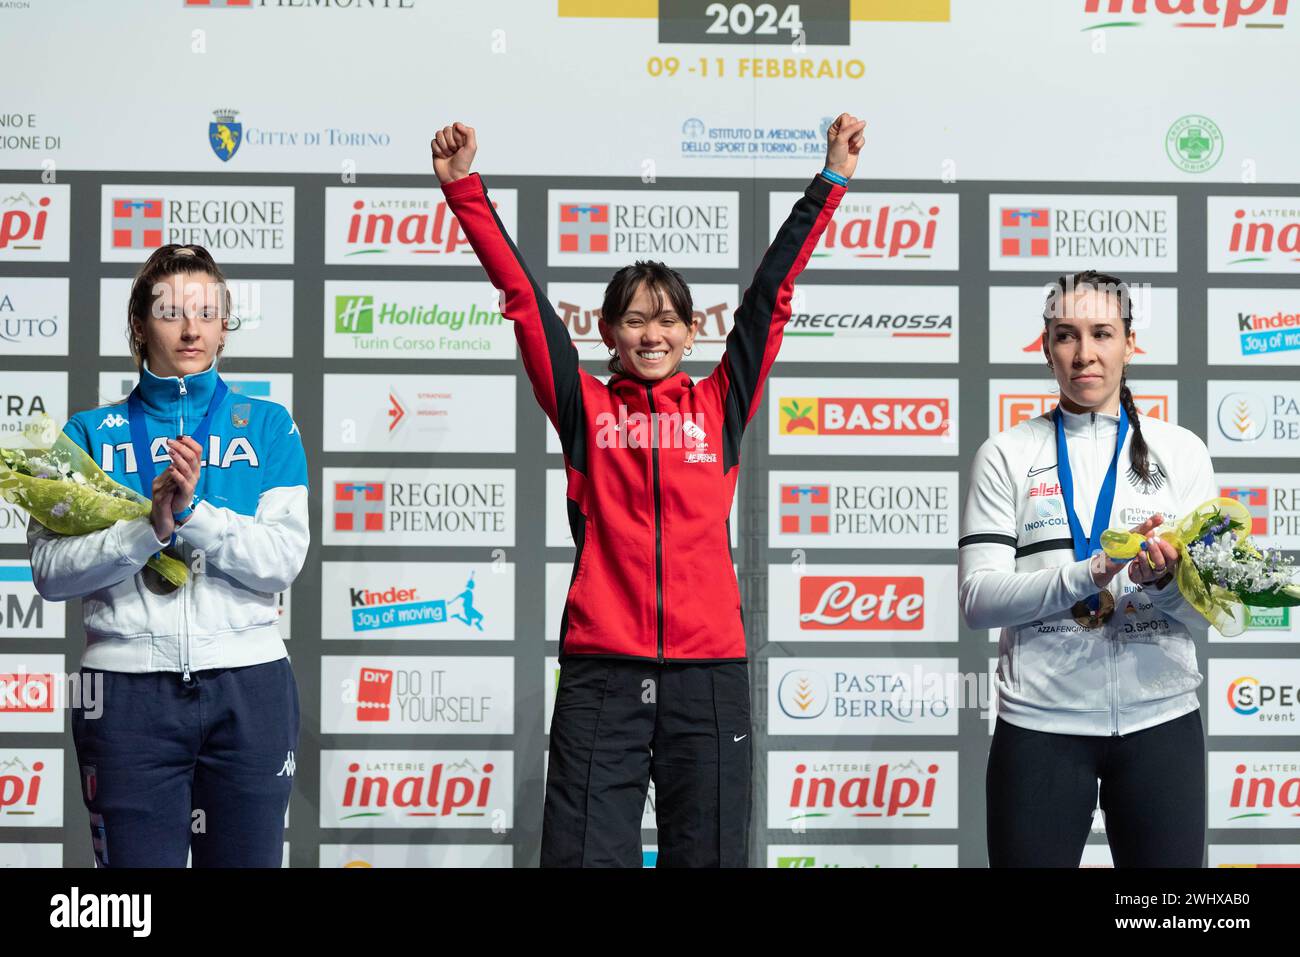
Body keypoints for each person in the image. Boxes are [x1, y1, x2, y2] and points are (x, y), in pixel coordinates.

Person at [432, 115, 863, 866]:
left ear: (693, 331)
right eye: (634, 319)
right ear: (607, 332)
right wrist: (465, 189)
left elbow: (771, 294)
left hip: (710, 673)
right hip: (604, 670)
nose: (651, 333)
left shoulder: (720, 403)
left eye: (667, 319)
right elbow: (525, 302)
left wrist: (829, 181)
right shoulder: (584, 407)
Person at [27, 244, 309, 868]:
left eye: (207, 312)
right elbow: (48, 573)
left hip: (250, 687)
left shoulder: (267, 425)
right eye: (171, 311)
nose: (190, 328)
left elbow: (282, 559)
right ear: (138, 324)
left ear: (223, 325)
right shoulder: (86, 436)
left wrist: (192, 516)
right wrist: (147, 530)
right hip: (123, 694)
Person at [959, 270, 1213, 867]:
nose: (1085, 353)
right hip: (1040, 724)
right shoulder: (1006, 453)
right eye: (1067, 335)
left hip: (1162, 719)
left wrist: (1164, 586)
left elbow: (1207, 612)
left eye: (1102, 333)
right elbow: (977, 601)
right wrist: (1092, 572)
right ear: (1046, 346)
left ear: (1130, 342)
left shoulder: (1182, 452)